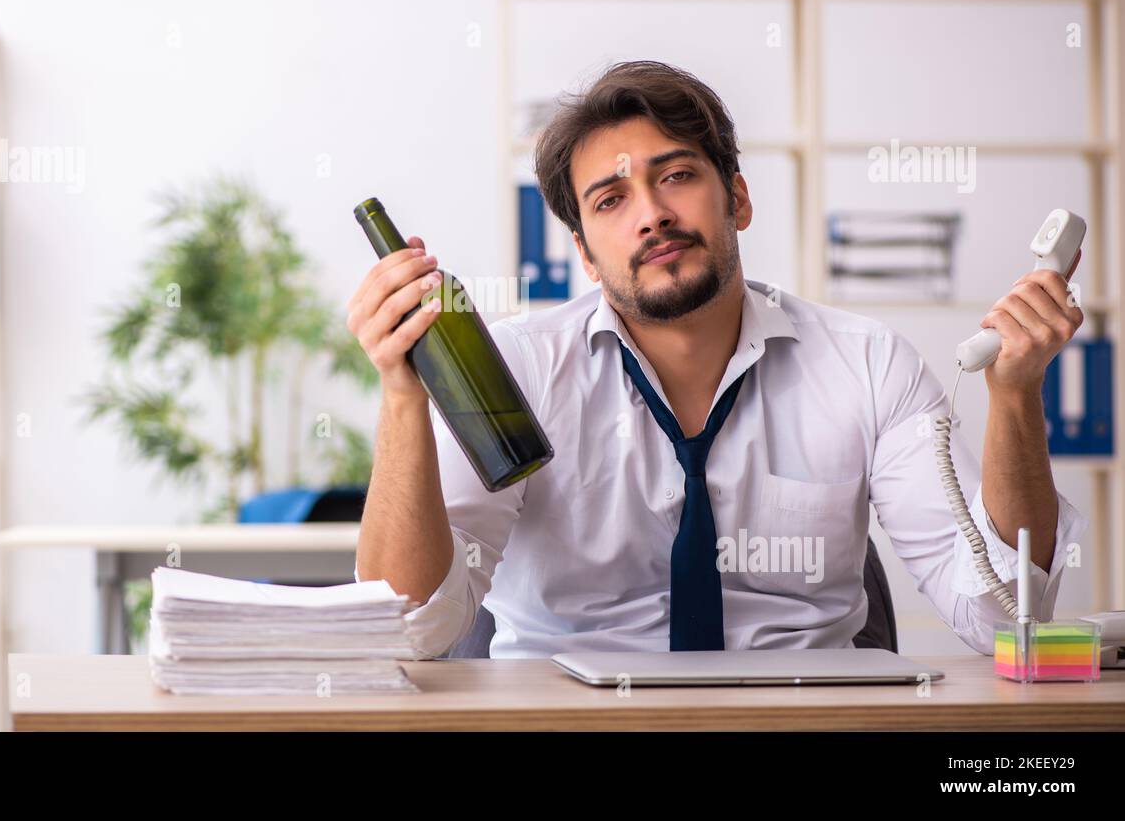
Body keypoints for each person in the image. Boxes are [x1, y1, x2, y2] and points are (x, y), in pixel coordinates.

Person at [348, 60, 1087, 659]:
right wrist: (404, 397)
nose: (651, 214)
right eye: (610, 200)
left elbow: (1002, 619)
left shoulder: (868, 365)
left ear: (737, 197)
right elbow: (411, 629)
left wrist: (1015, 398)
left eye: (676, 176)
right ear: (584, 253)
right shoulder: (517, 370)